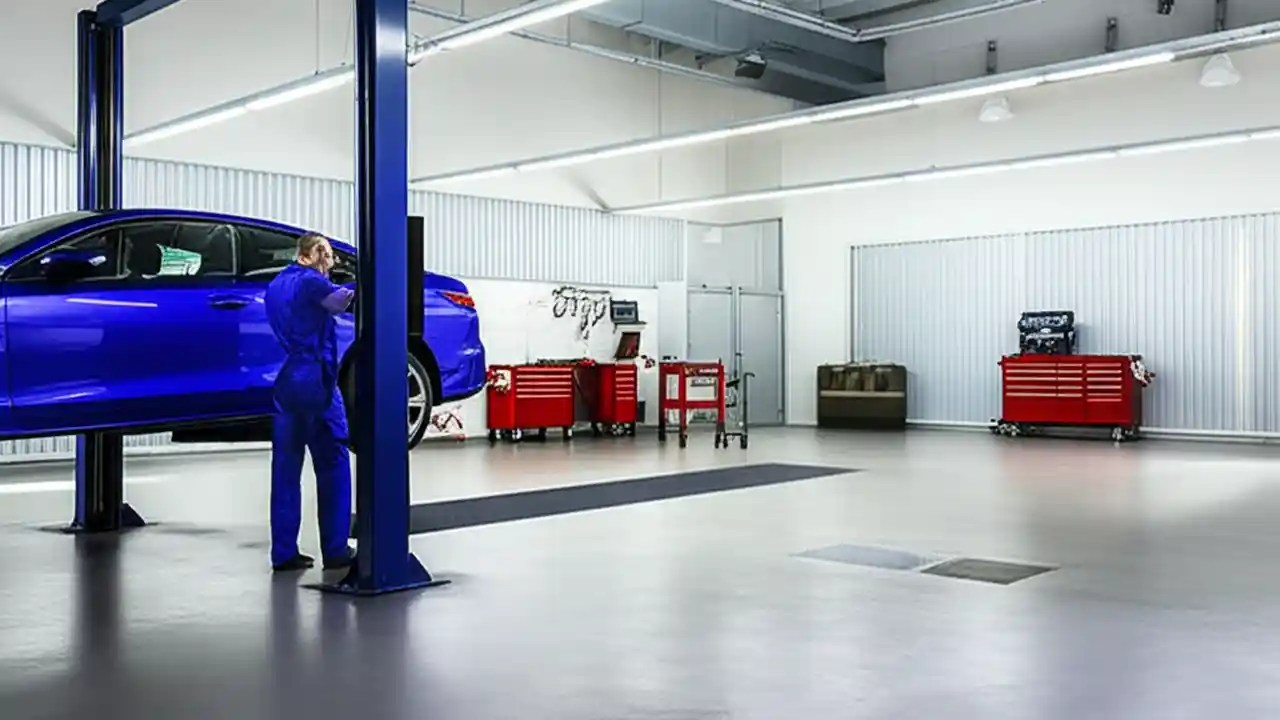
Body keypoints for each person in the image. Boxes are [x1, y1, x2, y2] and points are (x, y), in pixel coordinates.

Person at [264, 232, 357, 572]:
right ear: (316, 252)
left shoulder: (276, 284)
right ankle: (335, 550)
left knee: (286, 468)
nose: (331, 262)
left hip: (286, 382)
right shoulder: (310, 282)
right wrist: (362, 287)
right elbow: (339, 302)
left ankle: (284, 552)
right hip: (315, 380)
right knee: (333, 462)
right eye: (329, 255)